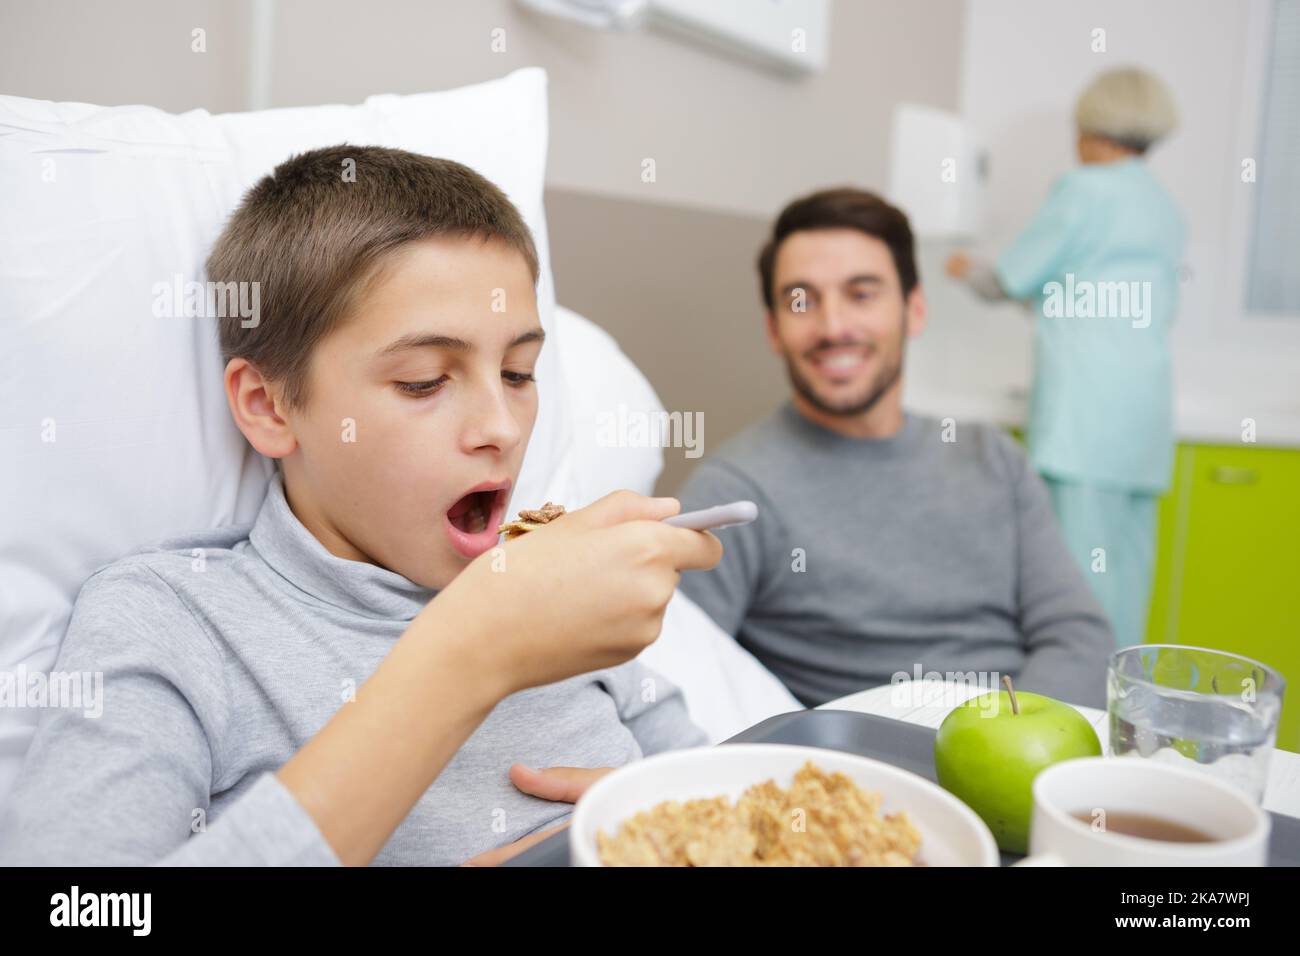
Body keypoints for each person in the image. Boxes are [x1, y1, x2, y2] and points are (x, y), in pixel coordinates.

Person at [0, 146, 722, 866]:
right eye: (423, 381)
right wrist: (471, 656)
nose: (501, 427)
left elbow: (746, 809)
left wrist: (668, 818)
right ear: (270, 406)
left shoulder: (566, 579)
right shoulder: (173, 621)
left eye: (518, 373)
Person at [676, 187, 1112, 710]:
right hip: (868, 778)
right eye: (801, 301)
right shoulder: (734, 494)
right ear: (774, 328)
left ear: (915, 310)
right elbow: (676, 676)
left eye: (862, 294)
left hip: (1027, 754)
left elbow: (1077, 634)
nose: (834, 327)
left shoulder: (992, 458)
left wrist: (1011, 740)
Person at [946, 67, 1184, 648]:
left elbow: (1009, 277)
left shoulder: (1083, 190)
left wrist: (960, 266)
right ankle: (1120, 705)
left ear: (1091, 129)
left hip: (1086, 410)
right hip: (1143, 410)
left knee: (1076, 570)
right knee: (1126, 572)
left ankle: (1077, 701)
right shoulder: (1162, 205)